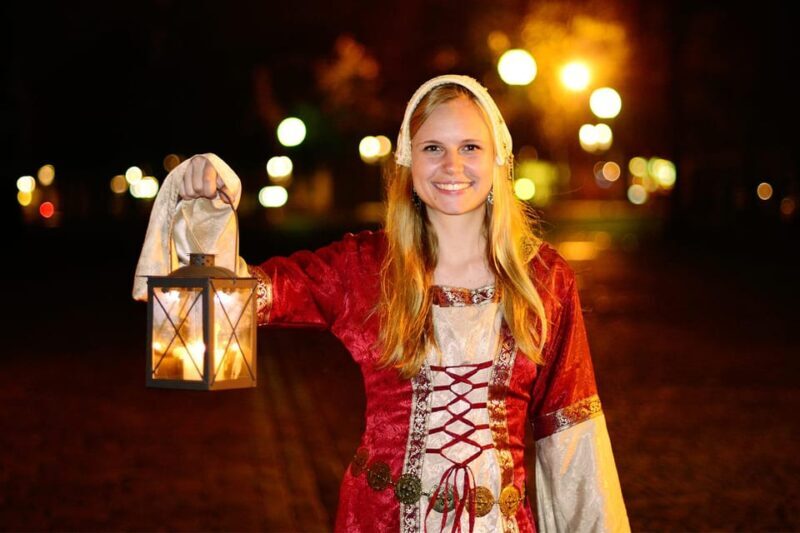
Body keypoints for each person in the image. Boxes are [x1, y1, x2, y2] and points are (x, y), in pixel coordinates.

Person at [133, 74, 630, 532]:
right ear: (409, 162)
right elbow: (247, 295)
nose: (452, 166)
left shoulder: (543, 277)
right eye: (433, 147)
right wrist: (204, 210)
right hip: (378, 520)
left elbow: (571, 432)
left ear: (498, 158)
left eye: (470, 147)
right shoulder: (363, 267)